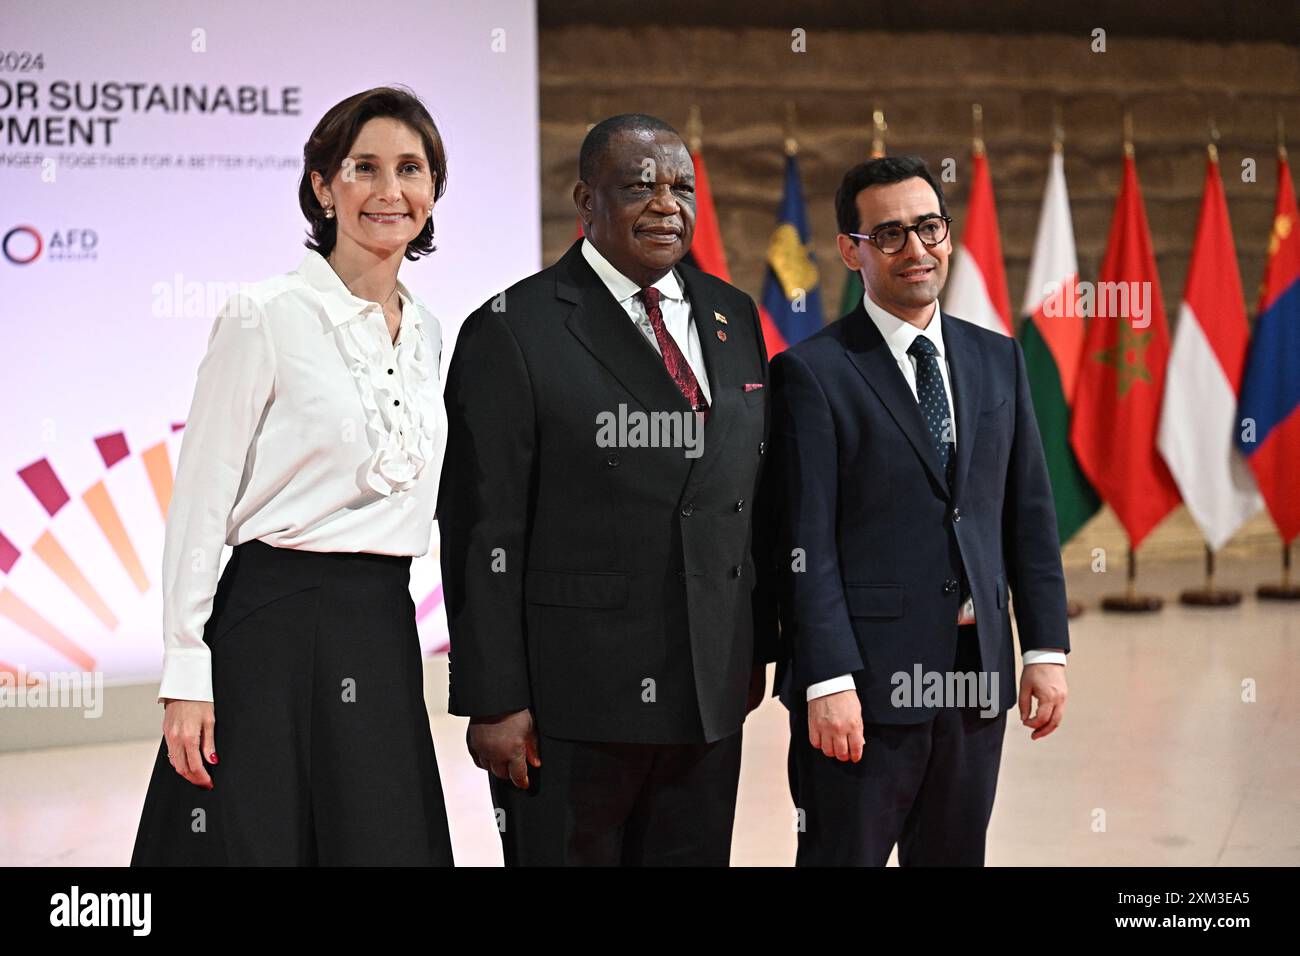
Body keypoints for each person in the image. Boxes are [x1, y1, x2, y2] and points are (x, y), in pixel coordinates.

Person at [438, 113, 778, 866]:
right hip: (573, 706)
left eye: (683, 187)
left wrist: (756, 644)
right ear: (585, 202)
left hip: (708, 693)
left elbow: (745, 496)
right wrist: (494, 699)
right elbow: (481, 529)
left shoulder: (734, 314)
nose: (667, 205)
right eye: (638, 187)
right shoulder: (512, 328)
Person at [131, 87, 454, 866]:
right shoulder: (263, 315)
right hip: (268, 630)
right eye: (364, 168)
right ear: (322, 186)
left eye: (410, 169)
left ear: (433, 189)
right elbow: (203, 500)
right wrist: (185, 667)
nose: (389, 191)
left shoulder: (429, 331)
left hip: (380, 626)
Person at [770, 155, 1070, 866]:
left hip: (975, 679)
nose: (916, 250)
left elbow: (1027, 513)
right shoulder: (812, 372)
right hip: (864, 692)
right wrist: (827, 678)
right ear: (852, 250)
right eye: (890, 234)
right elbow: (802, 542)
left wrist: (1044, 650)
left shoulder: (997, 358)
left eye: (929, 228)